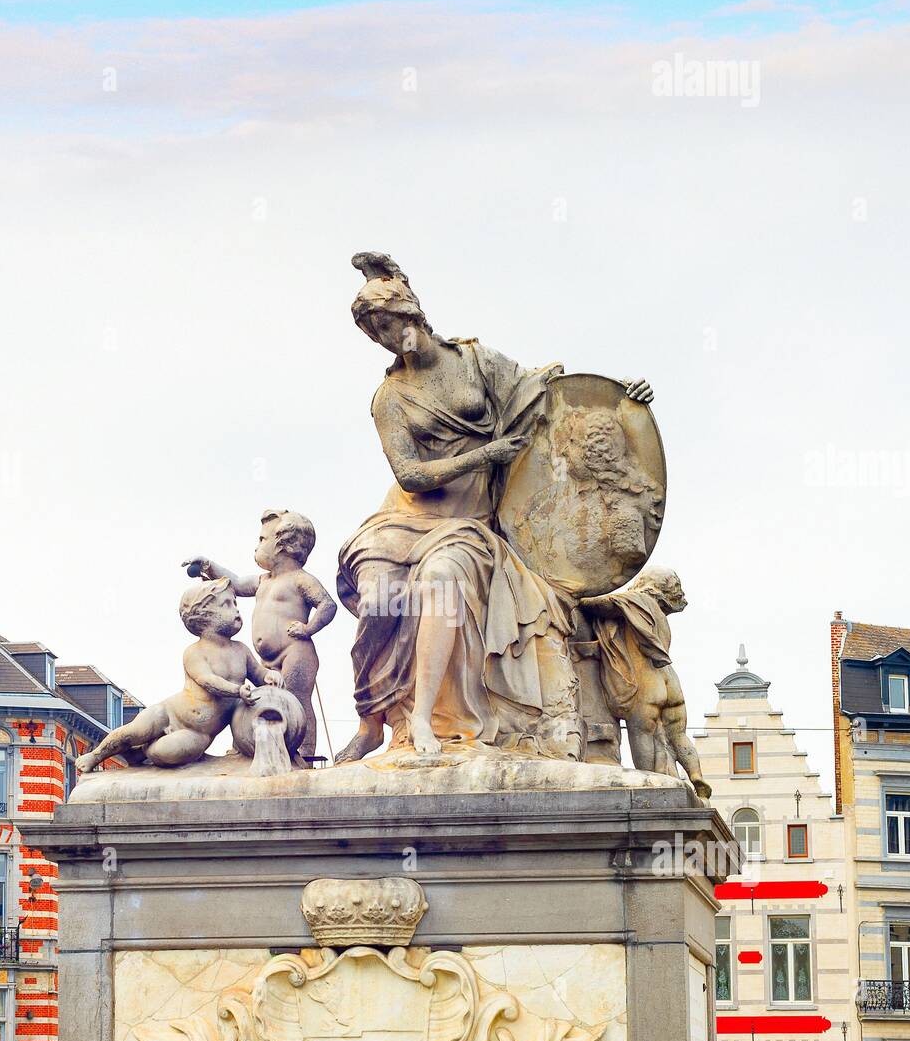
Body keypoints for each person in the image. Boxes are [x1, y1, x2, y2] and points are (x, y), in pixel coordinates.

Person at [335, 251, 654, 762]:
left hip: (465, 524)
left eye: (390, 326)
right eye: (375, 334)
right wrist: (486, 454)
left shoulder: (478, 363)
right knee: (379, 602)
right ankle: (373, 717)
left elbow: (547, 397)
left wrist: (623, 401)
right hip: (402, 520)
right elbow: (410, 474)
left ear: (414, 315)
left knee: (441, 581)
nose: (387, 340)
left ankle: (422, 718)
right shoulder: (389, 398)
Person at [75, 578, 282, 771]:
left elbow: (258, 674)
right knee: (136, 730)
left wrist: (269, 676)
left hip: (199, 733)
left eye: (235, 603)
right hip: (170, 712)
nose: (236, 609)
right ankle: (96, 755)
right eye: (227, 604)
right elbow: (208, 681)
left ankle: (141, 752)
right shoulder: (194, 652)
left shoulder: (241, 650)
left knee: (169, 752)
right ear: (204, 617)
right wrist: (236, 690)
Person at [184, 509, 336, 764]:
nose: (257, 546)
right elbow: (236, 583)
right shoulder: (263, 581)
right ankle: (246, 746)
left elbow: (327, 605)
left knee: (296, 699)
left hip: (295, 652)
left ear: (285, 545)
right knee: (255, 701)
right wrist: (209, 567)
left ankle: (304, 752)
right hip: (265, 662)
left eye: (262, 540)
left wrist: (308, 628)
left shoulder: (300, 580)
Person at [579, 567, 712, 798]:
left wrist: (580, 598)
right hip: (670, 681)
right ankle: (695, 774)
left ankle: (654, 782)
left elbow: (598, 605)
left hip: (648, 686)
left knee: (642, 733)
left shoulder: (637, 602)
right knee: (677, 735)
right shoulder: (660, 617)